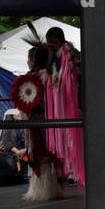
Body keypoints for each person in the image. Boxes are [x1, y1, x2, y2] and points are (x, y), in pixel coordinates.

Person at [17, 44, 65, 202]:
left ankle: (42, 190)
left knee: (40, 154)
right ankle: (53, 189)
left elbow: (26, 102)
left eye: (29, 58)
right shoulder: (53, 76)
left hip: (38, 120)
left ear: (33, 60)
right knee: (51, 154)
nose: (27, 62)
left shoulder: (33, 78)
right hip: (53, 119)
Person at [44, 25, 84, 188]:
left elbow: (79, 77)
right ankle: (64, 173)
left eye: (51, 42)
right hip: (57, 106)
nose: (49, 45)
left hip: (74, 103)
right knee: (61, 139)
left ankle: (77, 170)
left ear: (57, 40)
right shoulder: (53, 57)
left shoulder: (72, 55)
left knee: (74, 138)